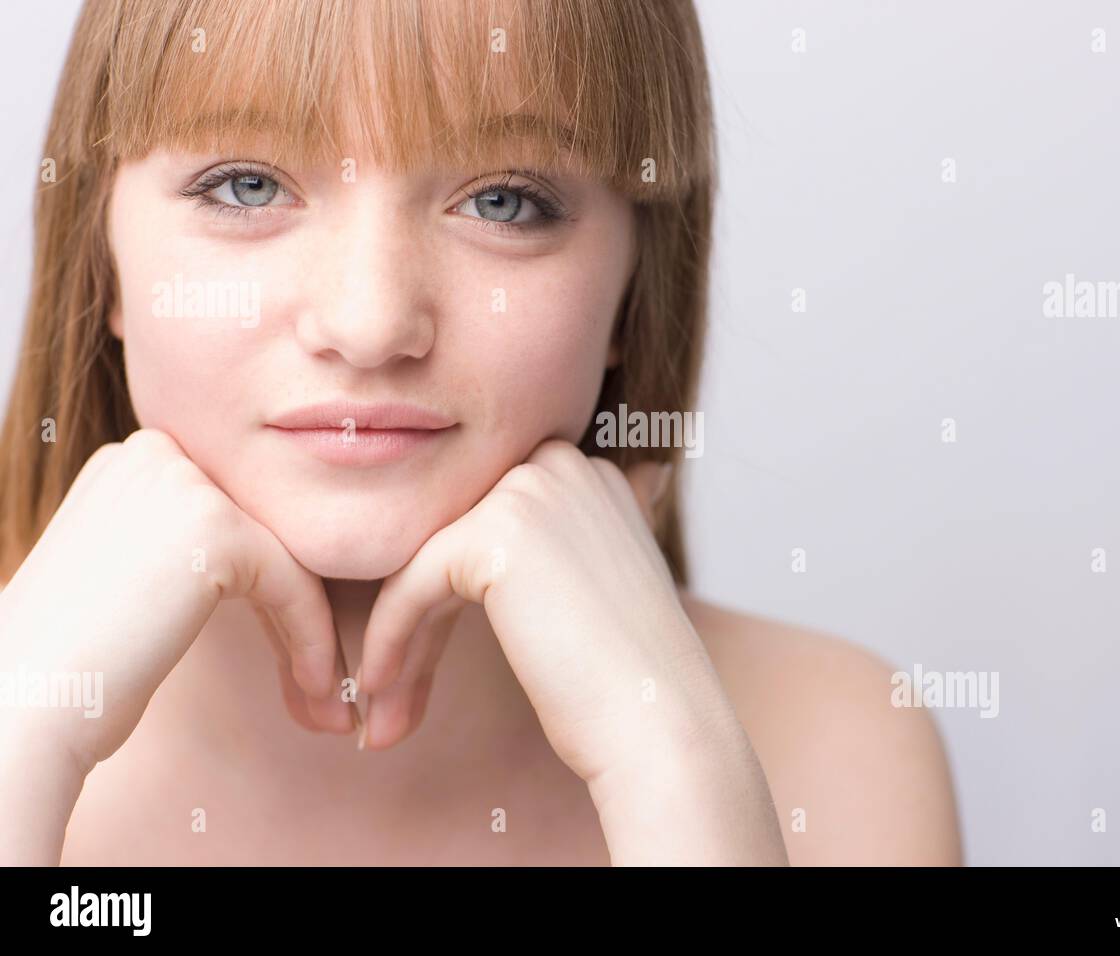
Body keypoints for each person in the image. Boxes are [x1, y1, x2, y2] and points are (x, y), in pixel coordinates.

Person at [0, 0, 961, 866]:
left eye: (503, 201)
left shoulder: (833, 746)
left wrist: (677, 773)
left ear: (634, 293)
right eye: (247, 186)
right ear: (104, 261)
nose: (370, 322)